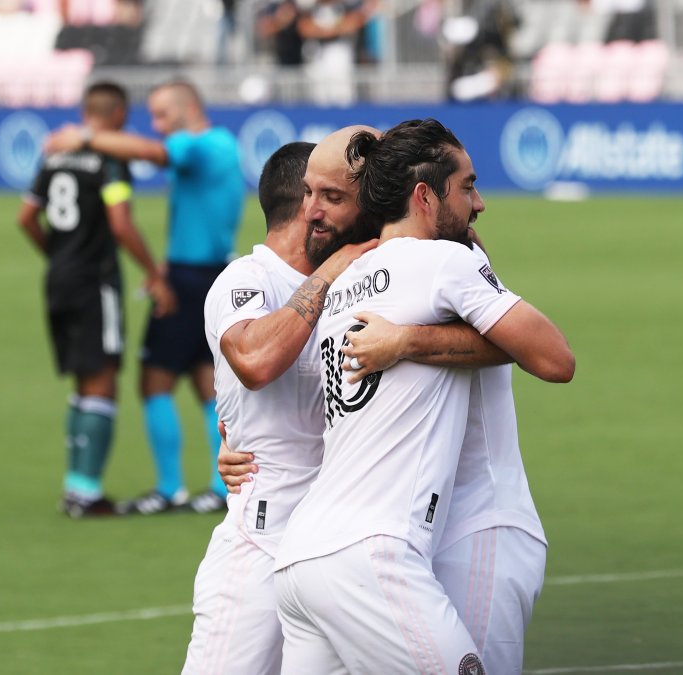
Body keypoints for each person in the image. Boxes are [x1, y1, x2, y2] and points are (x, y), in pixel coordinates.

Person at [223, 126, 569, 675]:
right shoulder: (443, 262)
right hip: (395, 544)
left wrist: (406, 341)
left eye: (330, 196)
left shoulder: (339, 290)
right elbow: (554, 359)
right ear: (424, 196)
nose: (479, 204)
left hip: (303, 554)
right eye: (467, 187)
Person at [183, 141, 377, 673]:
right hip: (263, 540)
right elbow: (255, 361)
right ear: (310, 207)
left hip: (338, 544)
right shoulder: (247, 279)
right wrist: (327, 275)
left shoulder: (360, 277)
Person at [44, 79, 245, 515]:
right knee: (206, 381)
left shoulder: (201, 144)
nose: (156, 124)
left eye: (162, 114)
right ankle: (219, 488)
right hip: (208, 273)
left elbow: (153, 153)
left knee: (154, 381)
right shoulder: (223, 146)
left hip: (191, 277)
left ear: (188, 108)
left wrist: (84, 136)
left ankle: (170, 488)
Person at [19, 81, 176, 518]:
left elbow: (26, 217)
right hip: (95, 282)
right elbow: (121, 224)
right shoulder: (108, 160)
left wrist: (57, 255)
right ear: (119, 114)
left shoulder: (54, 155)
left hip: (58, 280)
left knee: (82, 384)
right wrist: (154, 272)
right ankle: (86, 494)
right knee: (102, 382)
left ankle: (75, 485)